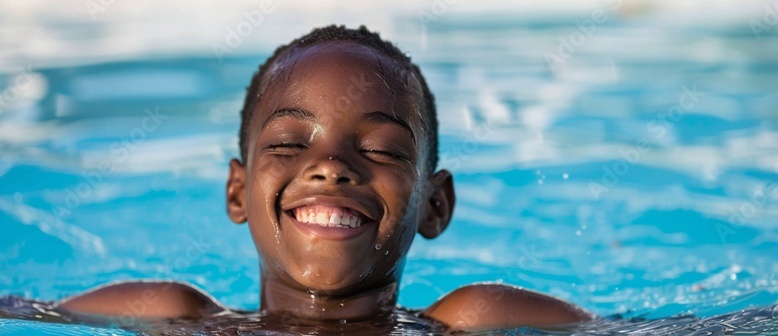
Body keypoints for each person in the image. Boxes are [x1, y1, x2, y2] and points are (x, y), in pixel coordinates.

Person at [57, 25, 594, 332]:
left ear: (435, 204)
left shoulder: (472, 320)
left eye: (380, 149)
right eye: (290, 143)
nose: (331, 166)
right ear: (238, 191)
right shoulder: (175, 317)